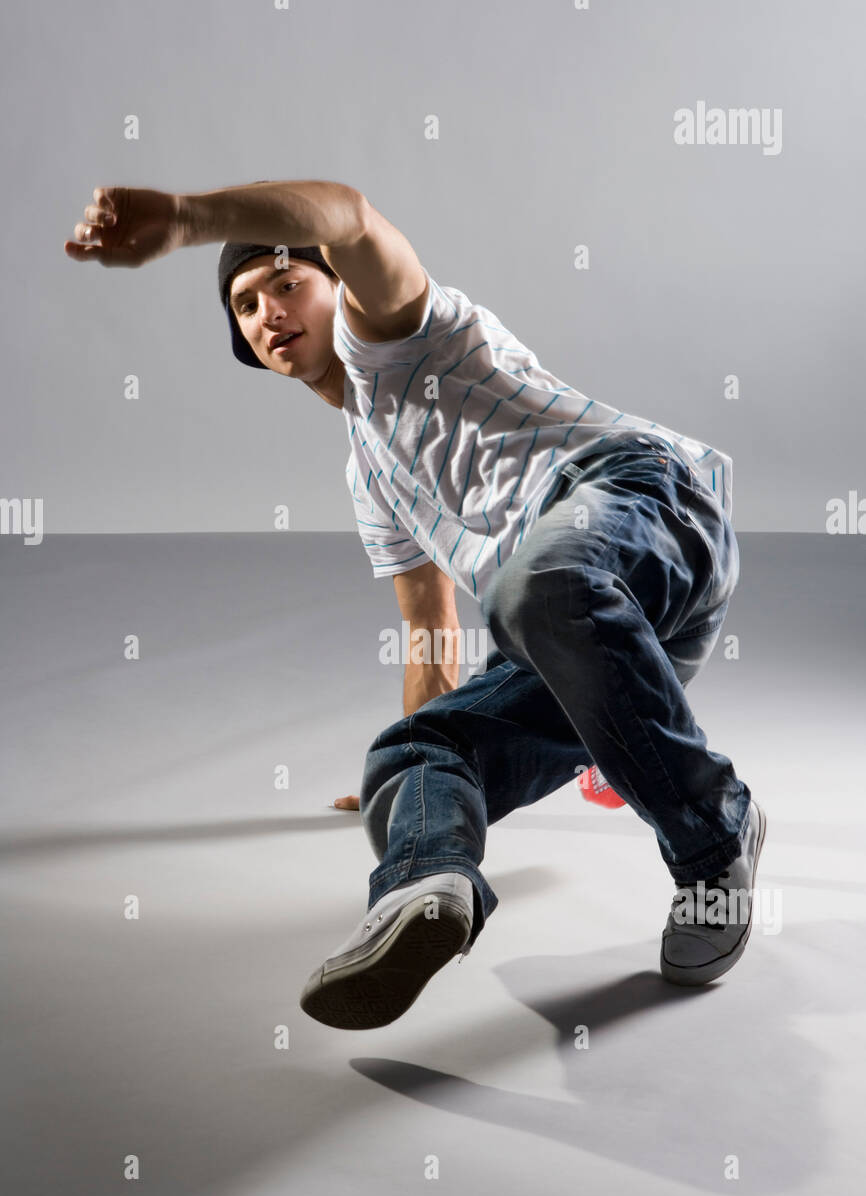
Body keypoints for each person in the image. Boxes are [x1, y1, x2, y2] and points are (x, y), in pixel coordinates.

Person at [65, 179, 767, 1031]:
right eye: (247, 305)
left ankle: (714, 835)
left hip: (645, 507)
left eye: (289, 283)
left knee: (535, 586)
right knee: (408, 753)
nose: (269, 311)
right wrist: (418, 777)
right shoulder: (367, 477)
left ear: (336, 288)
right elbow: (429, 628)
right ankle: (427, 886)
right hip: (581, 626)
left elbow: (349, 216)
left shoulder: (395, 332)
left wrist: (183, 220)